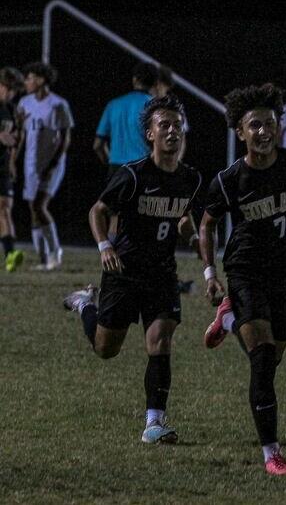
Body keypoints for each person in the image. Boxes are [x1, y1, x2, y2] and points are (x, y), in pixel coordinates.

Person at [62, 95, 202, 444]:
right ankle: (84, 304)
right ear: (150, 134)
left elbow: (183, 214)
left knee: (160, 339)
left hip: (161, 273)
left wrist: (195, 237)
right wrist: (104, 245)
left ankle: (154, 423)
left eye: (176, 125)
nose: (172, 130)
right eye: (163, 125)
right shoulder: (132, 175)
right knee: (106, 348)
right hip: (124, 272)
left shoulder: (190, 178)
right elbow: (98, 210)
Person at [199, 83, 286, 476]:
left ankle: (229, 319)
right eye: (255, 125)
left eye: (270, 124)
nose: (264, 132)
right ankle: (272, 453)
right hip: (246, 271)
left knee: (273, 357)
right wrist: (210, 273)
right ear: (240, 131)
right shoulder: (229, 180)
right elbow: (207, 225)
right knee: (263, 360)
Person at [16, 62, 73, 271]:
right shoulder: (24, 102)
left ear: (41, 80)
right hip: (31, 164)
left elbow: (66, 137)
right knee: (33, 210)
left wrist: (55, 162)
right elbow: (21, 134)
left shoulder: (58, 104)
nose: (26, 82)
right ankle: (42, 259)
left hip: (51, 164)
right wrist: (14, 158)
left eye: (30, 78)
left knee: (40, 205)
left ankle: (55, 253)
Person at [93, 62, 158, 176]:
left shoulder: (113, 105)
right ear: (155, 83)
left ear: (134, 79)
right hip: (144, 168)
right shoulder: (156, 106)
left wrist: (110, 164)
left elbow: (98, 145)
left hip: (117, 169)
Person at [0, 67, 24, 271]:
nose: (10, 94)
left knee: (5, 207)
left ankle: (10, 255)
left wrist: (12, 163)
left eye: (14, 90)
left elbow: (14, 139)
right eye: (8, 88)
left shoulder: (10, 108)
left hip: (3, 166)